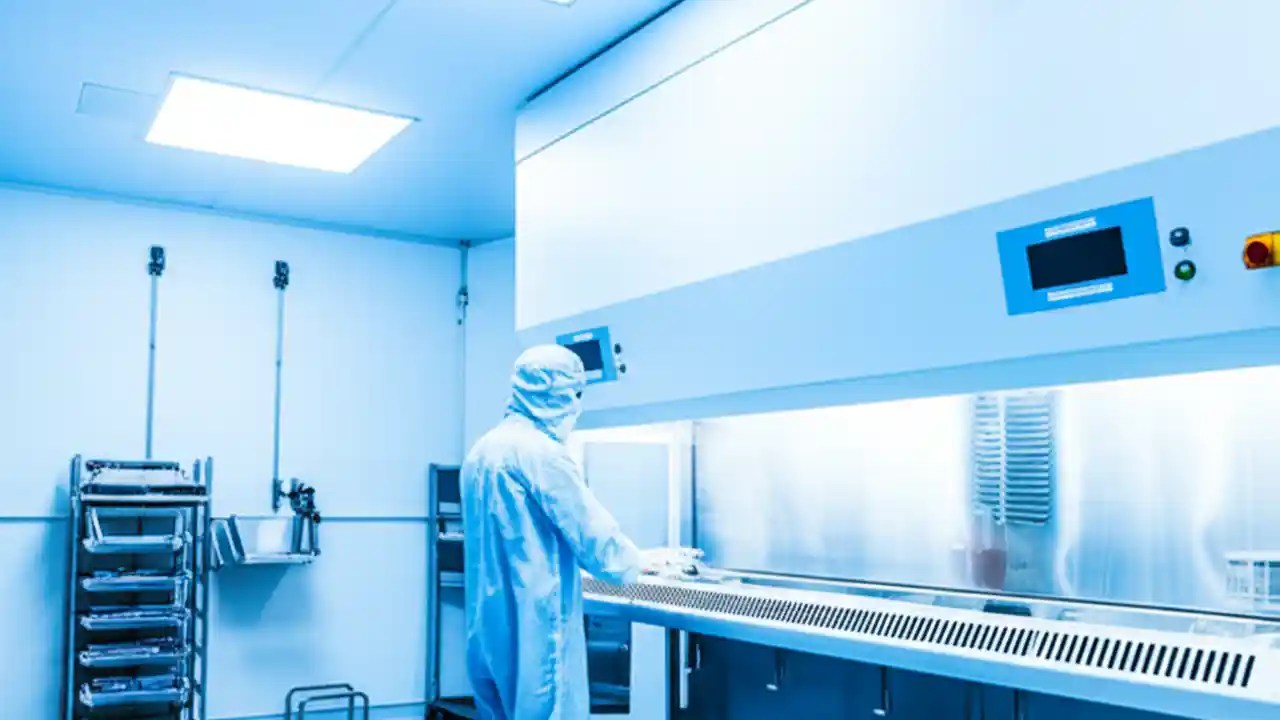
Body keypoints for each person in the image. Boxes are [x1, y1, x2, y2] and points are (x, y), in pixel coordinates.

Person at [461, 344, 644, 720]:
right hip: (536, 632)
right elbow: (601, 547)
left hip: (488, 628)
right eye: (576, 394)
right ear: (558, 394)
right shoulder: (542, 454)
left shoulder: (482, 451)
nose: (577, 406)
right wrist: (641, 563)